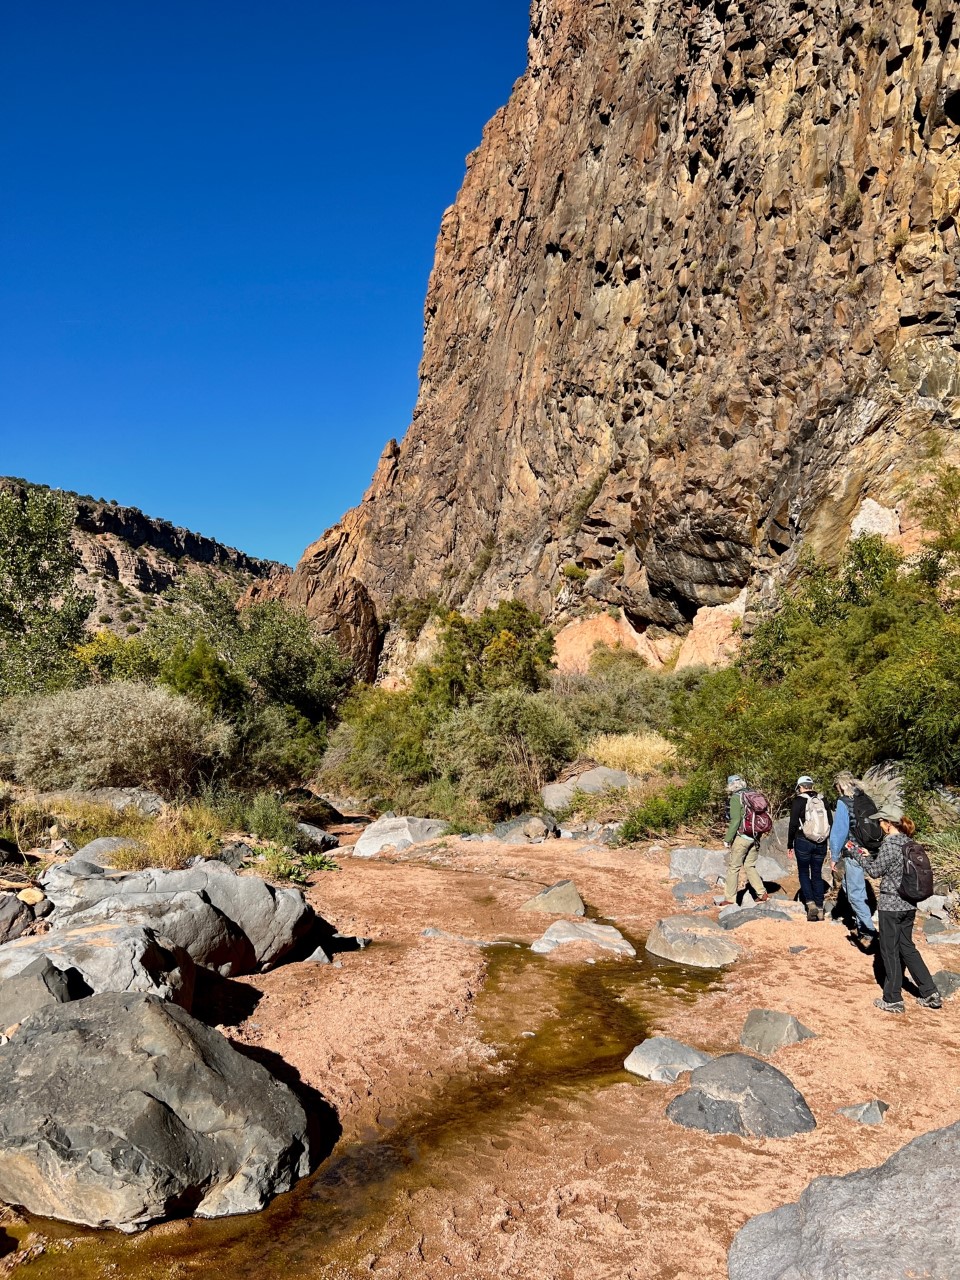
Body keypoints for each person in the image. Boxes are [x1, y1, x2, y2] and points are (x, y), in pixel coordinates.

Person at [849, 806, 942, 1013]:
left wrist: (856, 853)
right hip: (909, 904)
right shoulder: (909, 843)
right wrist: (871, 854)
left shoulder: (890, 844)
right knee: (907, 947)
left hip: (891, 905)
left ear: (888, 823)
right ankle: (930, 992)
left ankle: (892, 999)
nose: (879, 825)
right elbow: (893, 865)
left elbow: (874, 871)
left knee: (889, 950)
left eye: (880, 822)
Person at [829, 771, 879, 950]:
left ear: (841, 785)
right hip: (870, 849)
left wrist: (834, 856)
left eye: (837, 788)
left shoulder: (844, 802)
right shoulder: (865, 798)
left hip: (854, 852)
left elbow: (839, 832)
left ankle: (869, 932)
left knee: (856, 892)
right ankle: (859, 922)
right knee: (850, 888)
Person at [787, 776, 832, 921]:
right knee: (817, 873)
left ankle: (810, 904)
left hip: (803, 840)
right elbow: (830, 822)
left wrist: (790, 844)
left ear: (800, 787)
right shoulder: (822, 799)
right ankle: (820, 908)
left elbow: (793, 824)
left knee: (804, 872)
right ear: (811, 786)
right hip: (821, 842)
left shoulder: (799, 800)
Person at [720, 775, 767, 906]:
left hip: (743, 837)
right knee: (749, 865)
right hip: (756, 836)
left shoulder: (736, 798)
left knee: (734, 867)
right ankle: (762, 893)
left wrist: (727, 839)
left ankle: (730, 899)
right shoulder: (753, 794)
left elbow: (735, 820)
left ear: (730, 786)